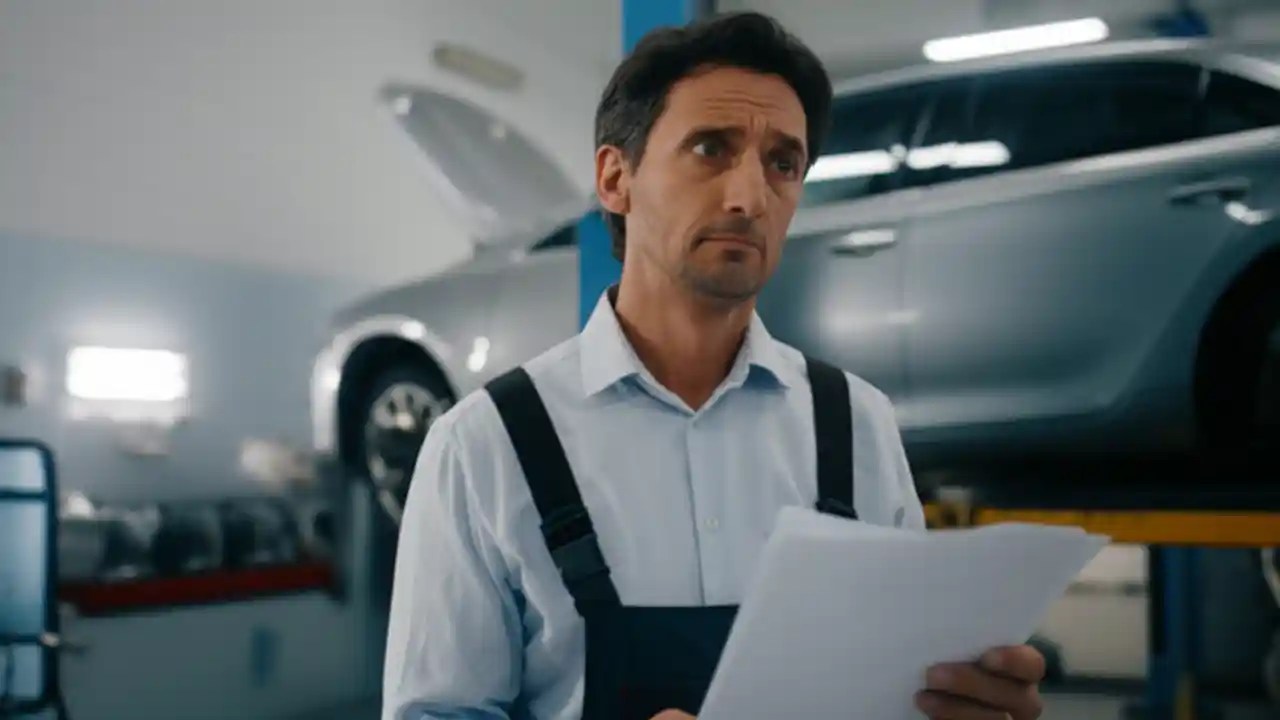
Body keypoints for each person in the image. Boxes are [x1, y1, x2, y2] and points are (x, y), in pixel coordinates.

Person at [383, 11, 1046, 720]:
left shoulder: (856, 426)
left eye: (783, 164)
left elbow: (892, 689)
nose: (749, 197)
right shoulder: (483, 447)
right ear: (615, 178)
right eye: (709, 149)